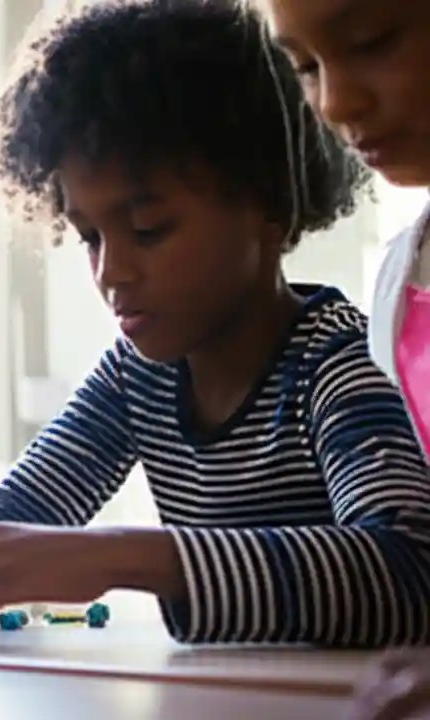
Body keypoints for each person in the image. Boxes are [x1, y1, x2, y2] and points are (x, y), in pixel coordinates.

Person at [0, 0, 430, 645]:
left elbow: (404, 576)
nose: (110, 272)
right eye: (89, 237)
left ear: (269, 202)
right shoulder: (138, 376)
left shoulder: (337, 365)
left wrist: (126, 556)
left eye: (148, 231)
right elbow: (6, 541)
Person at [257, 0, 430, 715]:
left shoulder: (326, 355)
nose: (332, 102)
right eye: (303, 66)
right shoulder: (403, 280)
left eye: (372, 42)